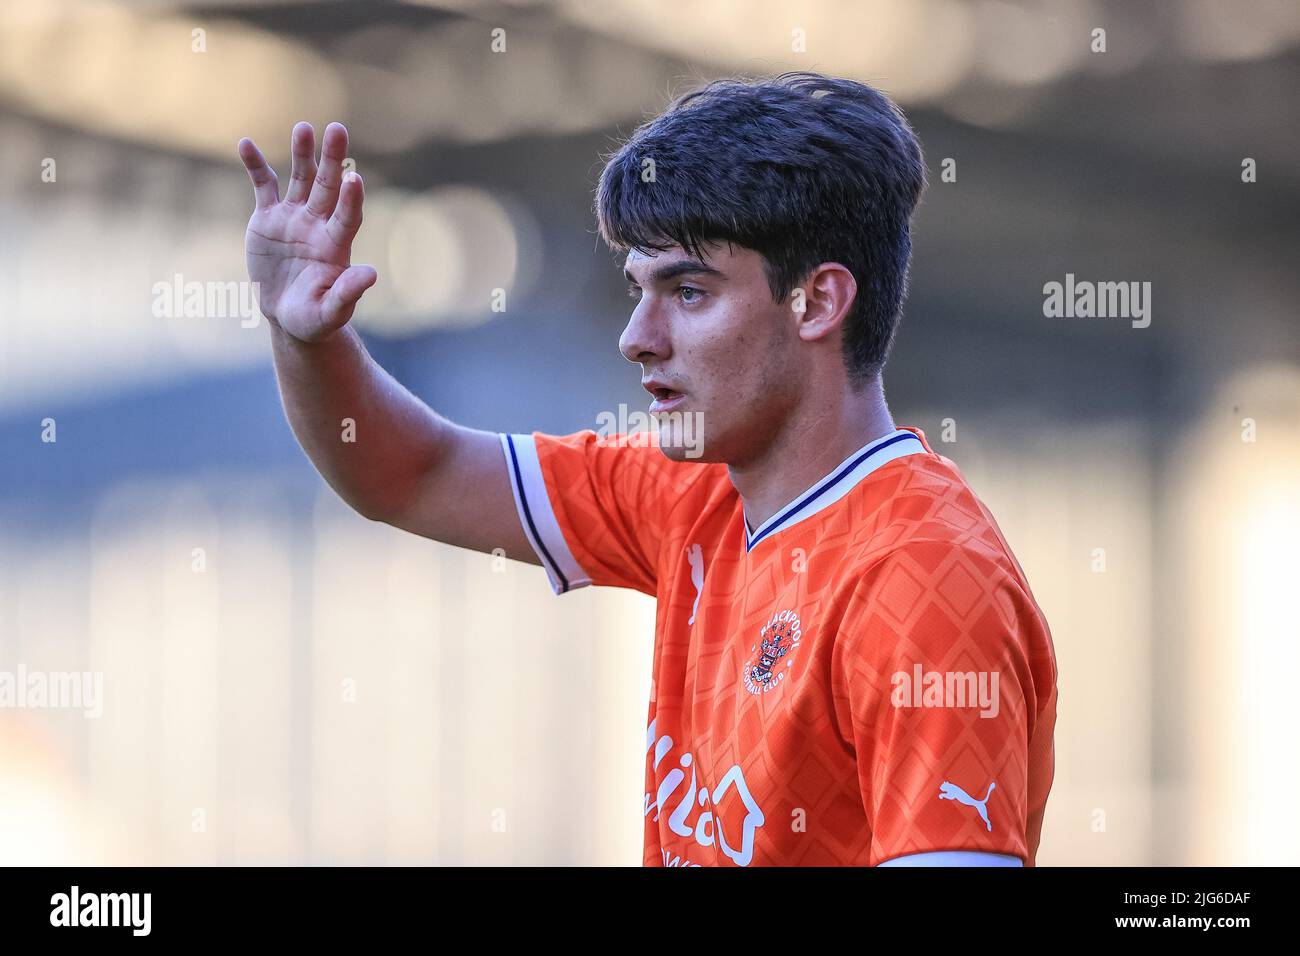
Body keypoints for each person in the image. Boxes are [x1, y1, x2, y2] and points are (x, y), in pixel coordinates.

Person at [237, 71, 1057, 867]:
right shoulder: (693, 491)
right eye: (637, 288)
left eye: (688, 291)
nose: (637, 336)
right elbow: (413, 475)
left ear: (818, 302)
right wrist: (306, 337)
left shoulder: (924, 582)